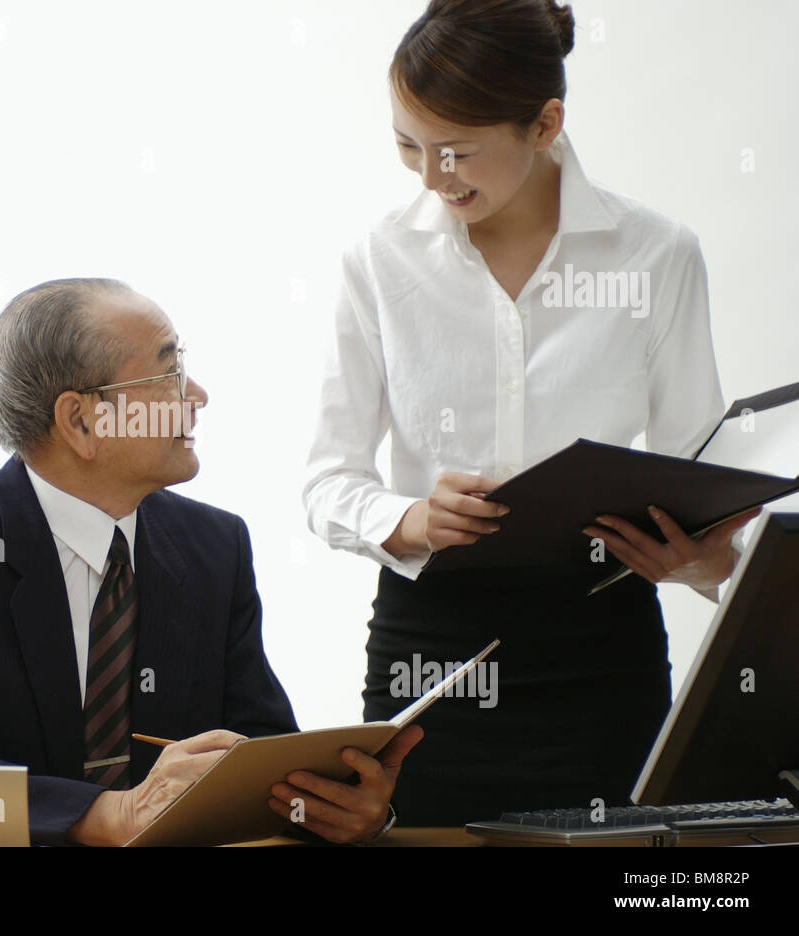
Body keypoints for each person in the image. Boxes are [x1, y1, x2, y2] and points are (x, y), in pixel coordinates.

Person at [303, 0, 757, 826]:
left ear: (546, 122)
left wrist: (697, 557)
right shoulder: (378, 259)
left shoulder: (655, 253)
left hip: (600, 656)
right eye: (409, 145)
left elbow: (701, 488)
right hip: (431, 655)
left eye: (459, 151)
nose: (432, 177)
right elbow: (328, 481)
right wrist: (411, 517)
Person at [0, 277, 422, 845]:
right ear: (82, 421)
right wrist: (108, 815)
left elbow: (256, 748)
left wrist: (331, 808)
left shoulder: (212, 545)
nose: (198, 395)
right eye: (169, 374)